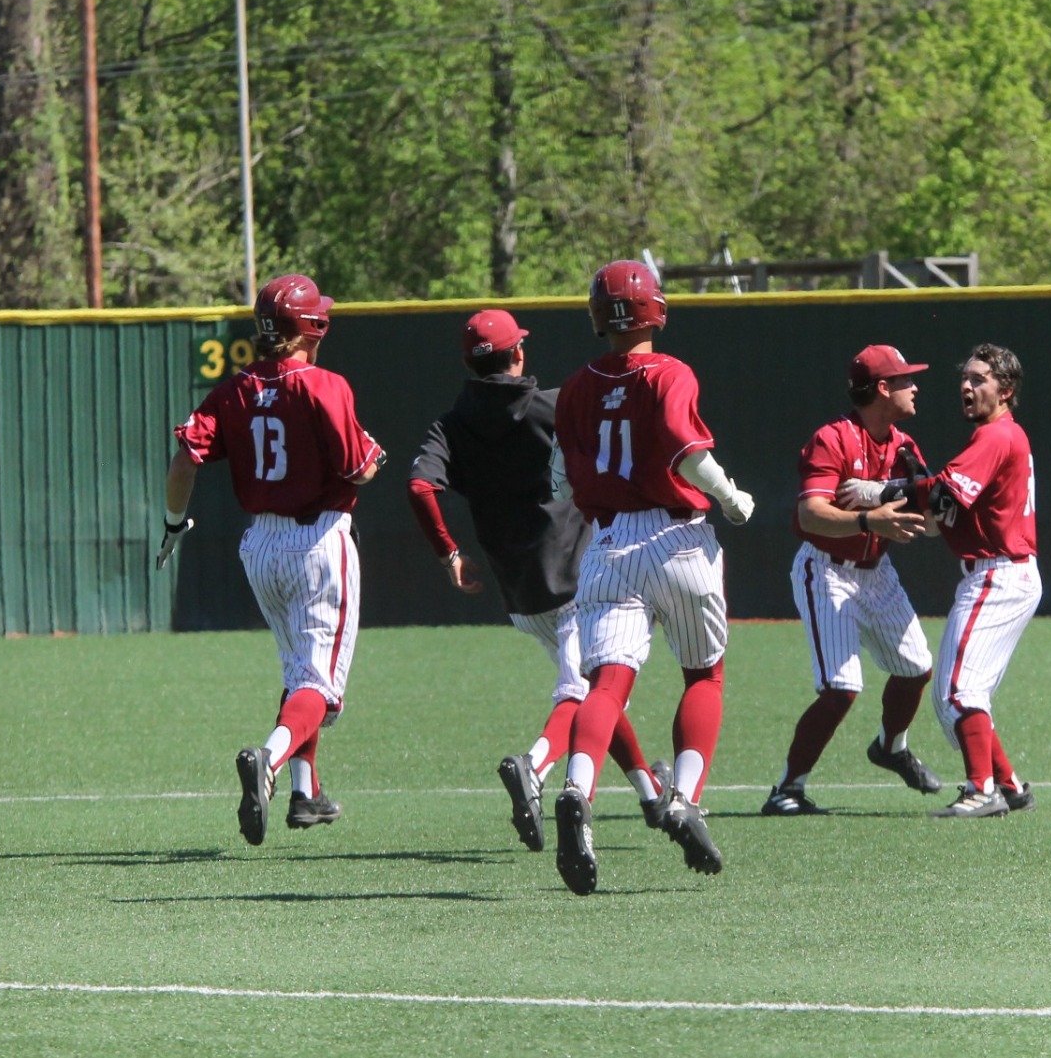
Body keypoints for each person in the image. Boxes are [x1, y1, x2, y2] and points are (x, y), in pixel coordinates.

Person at [405, 309, 670, 853]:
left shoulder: (451, 423)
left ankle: (649, 793)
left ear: (467, 362)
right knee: (582, 692)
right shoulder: (555, 403)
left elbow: (418, 487)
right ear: (518, 354)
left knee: (598, 691)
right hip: (578, 575)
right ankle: (537, 765)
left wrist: (449, 552)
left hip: (520, 589)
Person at [546, 259, 755, 895]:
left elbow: (558, 478)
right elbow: (685, 448)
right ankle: (685, 797)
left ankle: (578, 786)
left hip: (608, 544)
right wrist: (731, 496)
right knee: (703, 675)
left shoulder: (577, 386)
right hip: (677, 538)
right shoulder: (669, 371)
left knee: (607, 684)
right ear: (655, 310)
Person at [155, 274, 384, 846]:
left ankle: (307, 793)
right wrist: (374, 457)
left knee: (297, 670)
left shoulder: (234, 390)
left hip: (260, 548)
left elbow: (186, 460)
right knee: (320, 689)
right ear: (313, 326)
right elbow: (360, 469)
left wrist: (173, 522)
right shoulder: (324, 384)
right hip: (319, 542)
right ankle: (273, 758)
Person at [842, 343, 1038, 819]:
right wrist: (919, 495)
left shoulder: (996, 437)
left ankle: (981, 790)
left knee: (957, 691)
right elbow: (947, 507)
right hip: (1003, 573)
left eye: (980, 380)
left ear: (1006, 390)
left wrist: (880, 489)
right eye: (965, 379)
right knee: (963, 690)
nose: (967, 387)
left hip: (997, 574)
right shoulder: (998, 437)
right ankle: (1007, 785)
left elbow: (946, 492)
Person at [762, 345, 944, 817]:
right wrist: (869, 520)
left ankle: (891, 747)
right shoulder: (832, 437)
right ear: (883, 388)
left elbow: (931, 517)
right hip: (825, 569)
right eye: (906, 380)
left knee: (916, 668)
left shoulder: (904, 445)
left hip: (876, 571)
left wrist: (903, 502)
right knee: (841, 688)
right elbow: (810, 513)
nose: (915, 386)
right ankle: (787, 788)